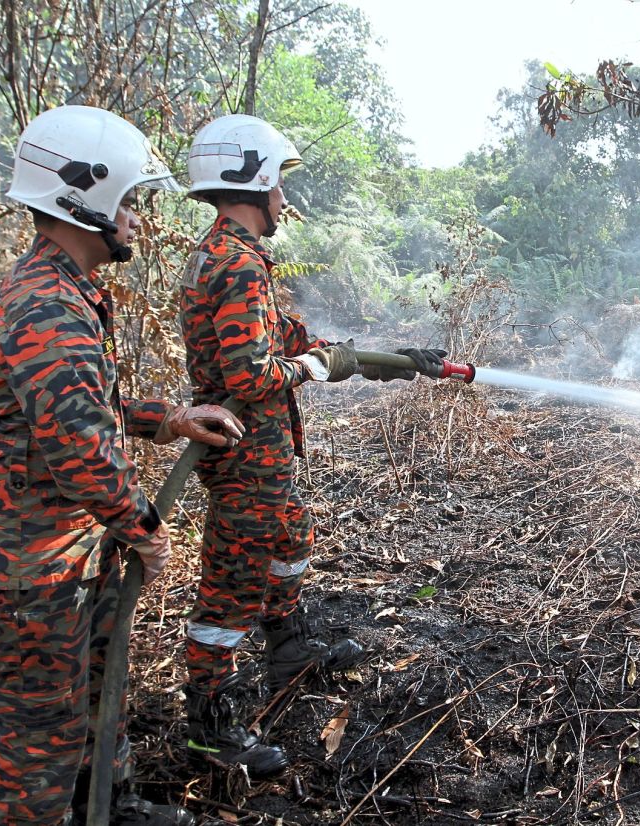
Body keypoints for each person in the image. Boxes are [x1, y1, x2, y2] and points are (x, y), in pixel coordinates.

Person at [0, 105, 246, 825]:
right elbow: (80, 450)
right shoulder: (46, 308)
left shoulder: (67, 295)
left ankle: (103, 807)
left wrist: (170, 418)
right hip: (30, 566)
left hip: (65, 552)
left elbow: (88, 409)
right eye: (130, 202)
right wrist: (142, 525)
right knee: (39, 732)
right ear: (86, 198)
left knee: (92, 693)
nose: (138, 221)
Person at [177, 113, 447, 775]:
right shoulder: (234, 266)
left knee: (291, 542)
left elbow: (294, 340)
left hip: (259, 457)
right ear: (255, 180)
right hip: (243, 456)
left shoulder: (231, 259)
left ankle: (292, 650)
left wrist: (397, 358)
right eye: (278, 186)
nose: (284, 201)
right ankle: (210, 727)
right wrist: (305, 368)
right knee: (231, 590)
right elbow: (252, 373)